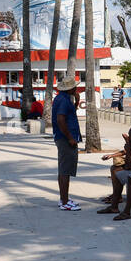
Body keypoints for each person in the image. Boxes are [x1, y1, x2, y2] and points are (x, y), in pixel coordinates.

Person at [98, 114, 131, 208]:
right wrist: (111, 155)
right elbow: (127, 150)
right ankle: (116, 199)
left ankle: (122, 205)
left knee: (121, 173)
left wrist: (128, 142)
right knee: (115, 169)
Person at [52, 76, 82, 210]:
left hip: (64, 137)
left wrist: (77, 102)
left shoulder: (63, 98)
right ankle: (64, 202)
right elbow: (61, 120)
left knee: (64, 170)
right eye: (75, 86)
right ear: (70, 88)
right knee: (65, 170)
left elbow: (69, 115)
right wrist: (70, 137)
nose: (77, 88)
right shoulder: (63, 100)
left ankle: (64, 199)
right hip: (65, 139)